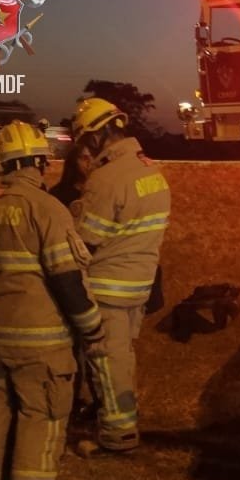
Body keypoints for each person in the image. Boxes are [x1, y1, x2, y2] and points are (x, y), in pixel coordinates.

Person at [0, 121, 105, 480]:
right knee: (42, 413)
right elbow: (67, 279)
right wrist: (92, 326)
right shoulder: (47, 209)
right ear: (40, 161)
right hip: (37, 341)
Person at [68, 97, 171, 454]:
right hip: (138, 284)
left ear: (96, 137)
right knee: (121, 357)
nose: (83, 149)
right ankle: (115, 416)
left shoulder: (106, 179)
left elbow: (84, 242)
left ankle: (118, 436)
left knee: (106, 360)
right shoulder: (149, 170)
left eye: (83, 140)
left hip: (107, 286)